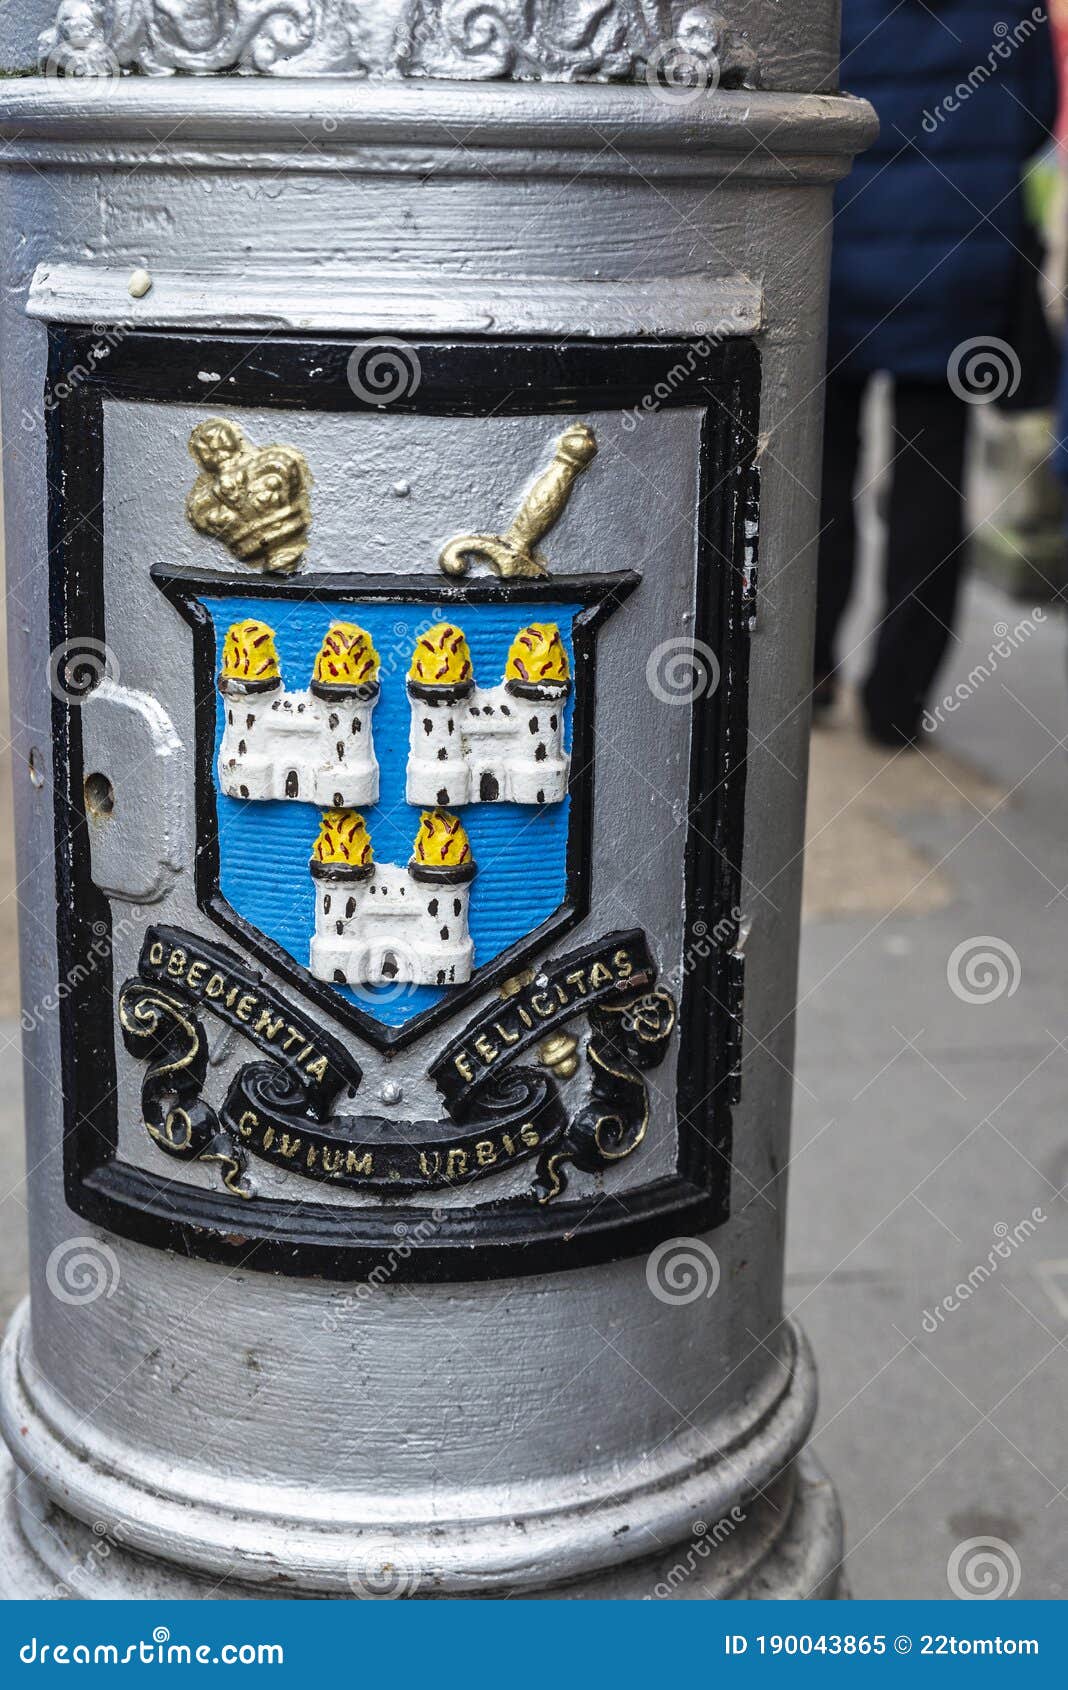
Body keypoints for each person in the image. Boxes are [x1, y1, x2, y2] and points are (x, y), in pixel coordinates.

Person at [817, 0, 1058, 746]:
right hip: (961, 264)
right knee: (931, 480)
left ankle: (807, 674)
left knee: (815, 477)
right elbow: (1037, 118)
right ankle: (897, 704)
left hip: (834, 253)